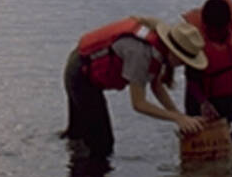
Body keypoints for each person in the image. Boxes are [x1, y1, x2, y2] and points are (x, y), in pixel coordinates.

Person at [62, 16, 209, 159]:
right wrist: (176, 118)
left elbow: (156, 86)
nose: (183, 65)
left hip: (81, 65)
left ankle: (77, 176)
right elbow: (139, 104)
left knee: (78, 136)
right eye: (184, 61)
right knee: (102, 145)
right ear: (175, 53)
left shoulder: (158, 48)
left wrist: (181, 117)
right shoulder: (141, 54)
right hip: (80, 75)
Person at [181, 0, 232, 130]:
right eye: (210, 30)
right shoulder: (196, 42)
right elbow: (191, 80)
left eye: (217, 31)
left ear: (227, 26)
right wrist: (203, 103)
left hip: (227, 99)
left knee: (229, 136)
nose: (213, 34)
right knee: (198, 140)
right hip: (198, 100)